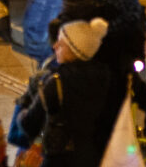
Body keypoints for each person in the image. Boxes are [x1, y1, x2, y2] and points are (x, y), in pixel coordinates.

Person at [16, 18, 117, 167]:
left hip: (59, 159)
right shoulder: (105, 77)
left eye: (61, 44)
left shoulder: (56, 83)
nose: (55, 46)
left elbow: (30, 124)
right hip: (94, 156)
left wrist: (21, 114)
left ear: (74, 49)